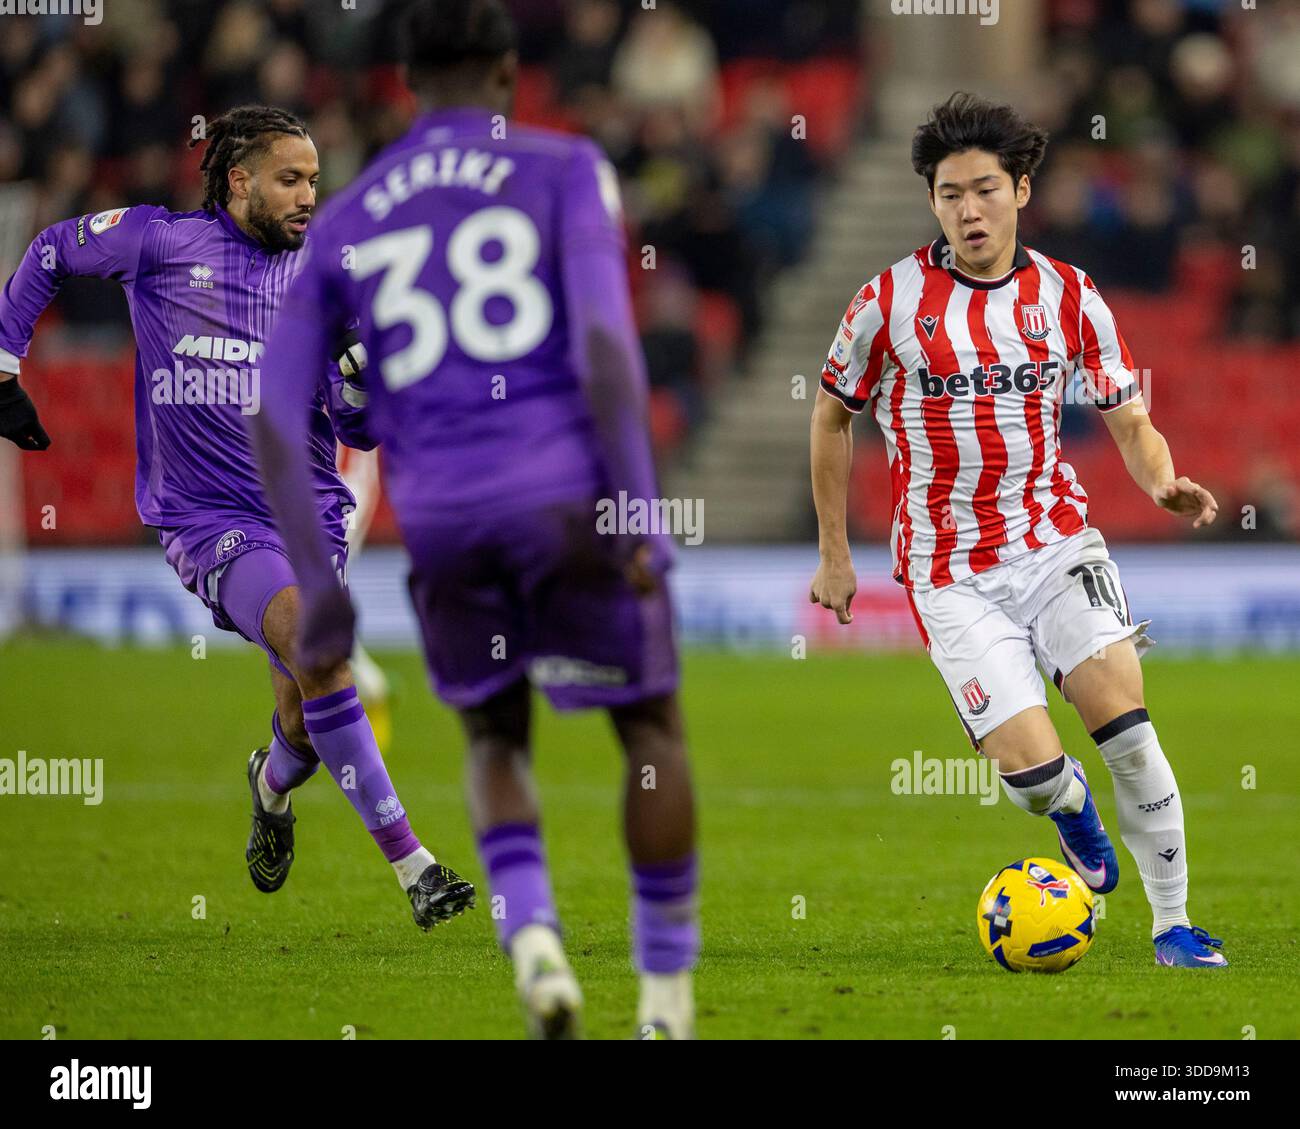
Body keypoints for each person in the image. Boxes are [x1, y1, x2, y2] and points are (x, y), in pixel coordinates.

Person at [250, 0, 700, 1038]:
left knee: (495, 736)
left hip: (445, 521)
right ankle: (666, 1001)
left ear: (407, 84)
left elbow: (278, 412)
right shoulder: (564, 167)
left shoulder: (351, 217)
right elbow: (604, 347)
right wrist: (638, 509)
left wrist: (321, 589)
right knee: (649, 726)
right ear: (505, 73)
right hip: (566, 499)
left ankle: (533, 938)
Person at [0, 104, 474, 930]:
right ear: (238, 179)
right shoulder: (156, 243)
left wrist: (362, 379)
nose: (306, 197)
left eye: (315, 181)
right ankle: (416, 867)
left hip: (310, 517)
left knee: (303, 708)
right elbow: (47, 251)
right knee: (319, 649)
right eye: (290, 179)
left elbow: (360, 428)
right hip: (208, 517)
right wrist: (3, 366)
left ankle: (268, 785)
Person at [809, 92, 1226, 969]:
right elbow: (831, 419)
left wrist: (1161, 481)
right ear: (932, 203)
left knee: (1131, 730)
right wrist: (837, 554)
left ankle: (1174, 925)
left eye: (986, 189)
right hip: (948, 572)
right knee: (1034, 775)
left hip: (1055, 545)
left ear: (1022, 191)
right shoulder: (886, 303)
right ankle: (1069, 806)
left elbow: (1127, 414)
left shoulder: (1071, 295)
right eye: (951, 193)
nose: (969, 209)